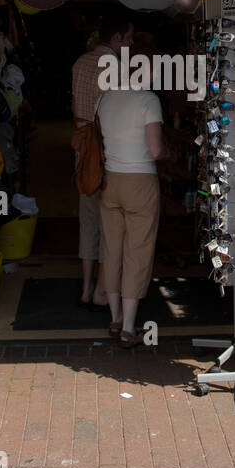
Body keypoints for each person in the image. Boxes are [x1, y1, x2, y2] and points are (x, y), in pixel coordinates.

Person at [95, 53, 165, 349]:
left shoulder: (105, 98)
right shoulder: (148, 100)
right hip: (140, 182)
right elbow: (156, 150)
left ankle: (113, 317)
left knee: (111, 248)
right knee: (137, 251)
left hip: (110, 180)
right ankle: (127, 327)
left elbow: (102, 139)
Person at [71, 9, 133, 311]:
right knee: (111, 221)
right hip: (106, 147)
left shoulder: (80, 62)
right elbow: (120, 113)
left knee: (88, 218)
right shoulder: (116, 66)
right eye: (129, 39)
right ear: (117, 37)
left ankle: (84, 288)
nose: (130, 45)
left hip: (82, 144)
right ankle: (101, 290)